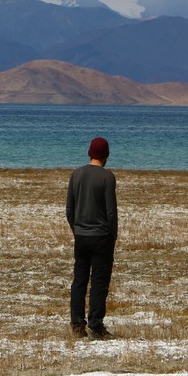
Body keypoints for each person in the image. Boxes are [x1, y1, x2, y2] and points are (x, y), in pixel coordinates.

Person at [66, 136, 118, 339]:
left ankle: (77, 324)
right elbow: (111, 212)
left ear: (89, 153)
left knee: (79, 280)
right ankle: (96, 325)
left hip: (81, 235)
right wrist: (112, 236)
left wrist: (77, 229)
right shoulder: (107, 177)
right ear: (106, 156)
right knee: (99, 281)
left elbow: (69, 209)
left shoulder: (76, 174)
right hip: (101, 236)